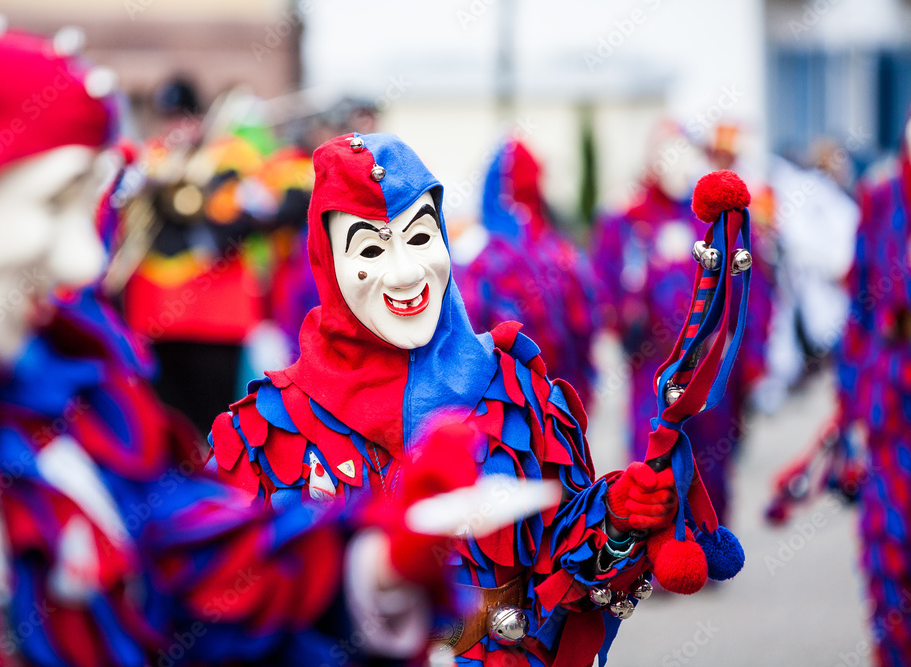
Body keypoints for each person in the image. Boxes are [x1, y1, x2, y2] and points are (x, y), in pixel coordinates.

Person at [0, 14, 485, 666]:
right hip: (161, 324)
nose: (80, 261)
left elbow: (172, 553)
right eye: (50, 205)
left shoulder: (231, 166)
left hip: (218, 325)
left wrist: (369, 565)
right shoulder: (160, 168)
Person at [209, 132, 685, 665]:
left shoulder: (515, 389)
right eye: (369, 249)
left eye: (419, 238)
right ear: (327, 263)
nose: (407, 272)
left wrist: (616, 516)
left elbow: (559, 553)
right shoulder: (259, 432)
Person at [591, 121, 765, 524]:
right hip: (654, 363)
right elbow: (602, 280)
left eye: (681, 153)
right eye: (664, 153)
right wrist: (622, 319)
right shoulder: (627, 217)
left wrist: (745, 348)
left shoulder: (715, 220)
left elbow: (750, 287)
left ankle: (705, 537)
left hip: (709, 361)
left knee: (710, 451)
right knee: (652, 451)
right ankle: (652, 549)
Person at [837, 114, 911, 667]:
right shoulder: (882, 200)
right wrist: (850, 407)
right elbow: (860, 308)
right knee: (891, 545)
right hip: (891, 405)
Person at [455, 138, 600, 405]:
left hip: (500, 409)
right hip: (561, 404)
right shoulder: (564, 254)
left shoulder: (478, 260)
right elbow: (587, 328)